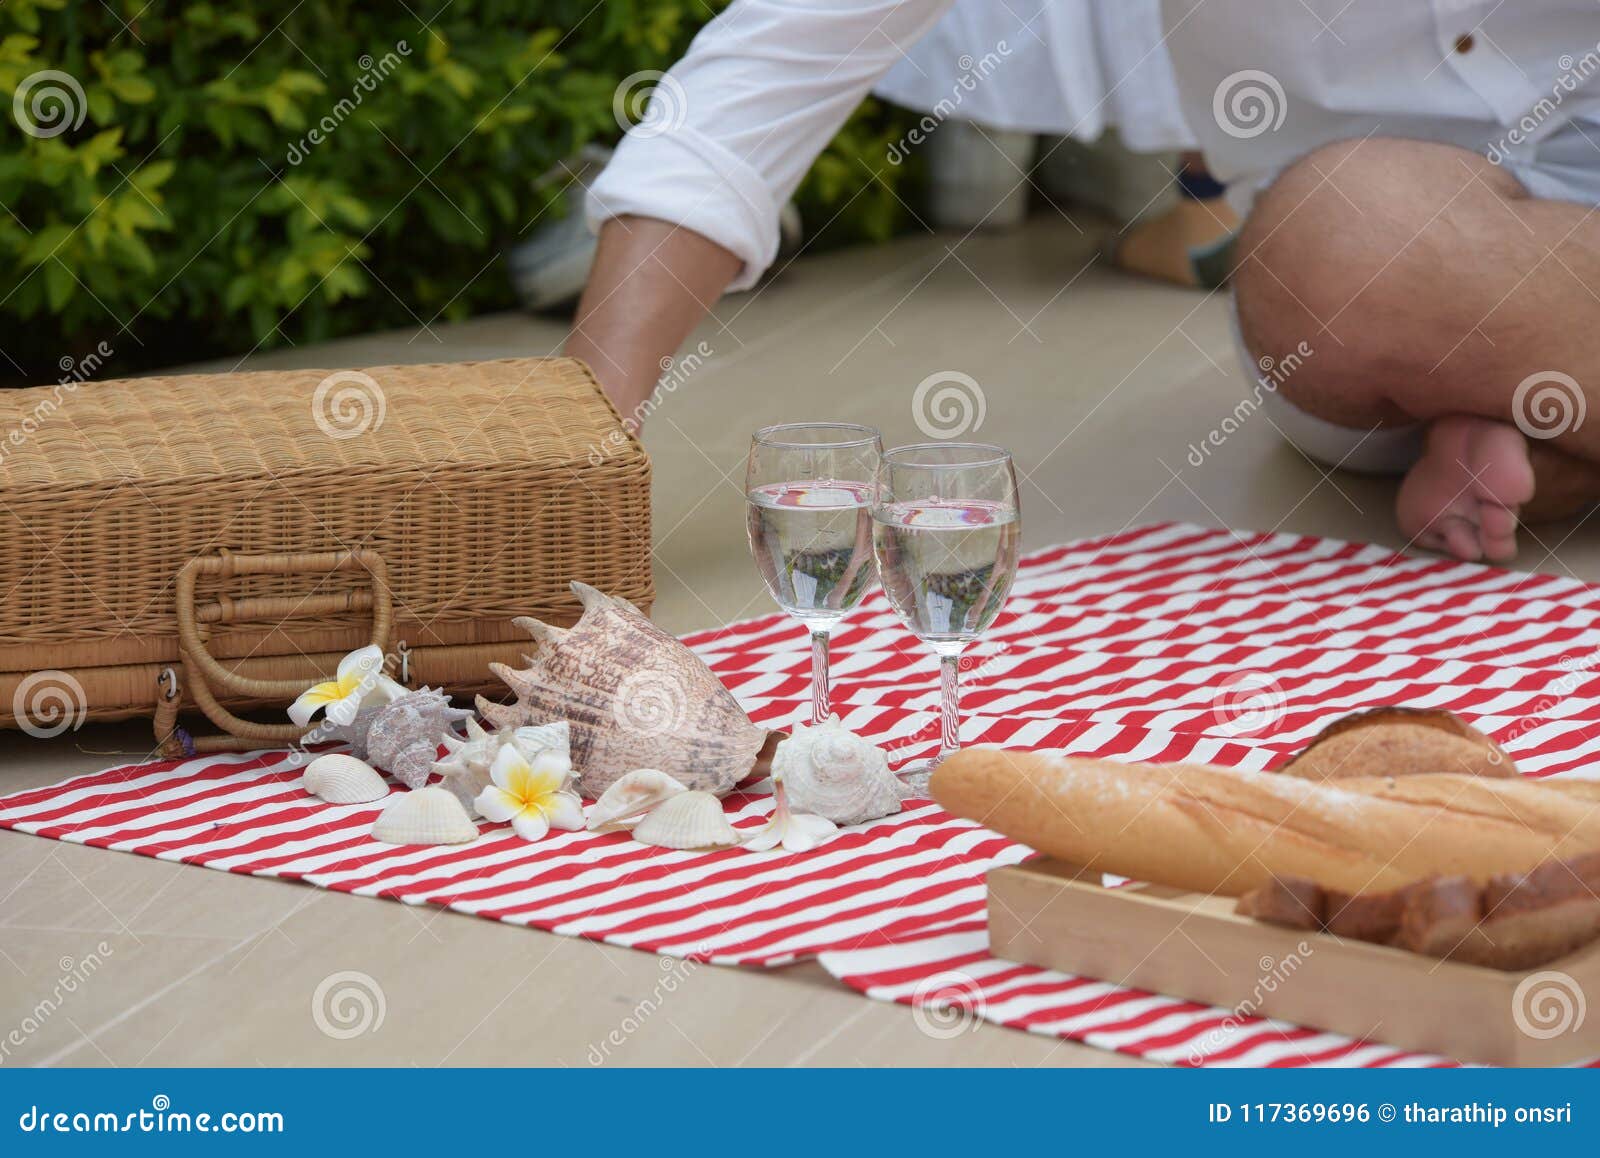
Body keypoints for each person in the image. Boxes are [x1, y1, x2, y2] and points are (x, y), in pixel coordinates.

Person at [566, 1, 1600, 564]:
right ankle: (1542, 403)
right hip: (1365, 305)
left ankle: (1545, 433)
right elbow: (774, 63)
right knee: (1347, 249)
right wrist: (579, 433)